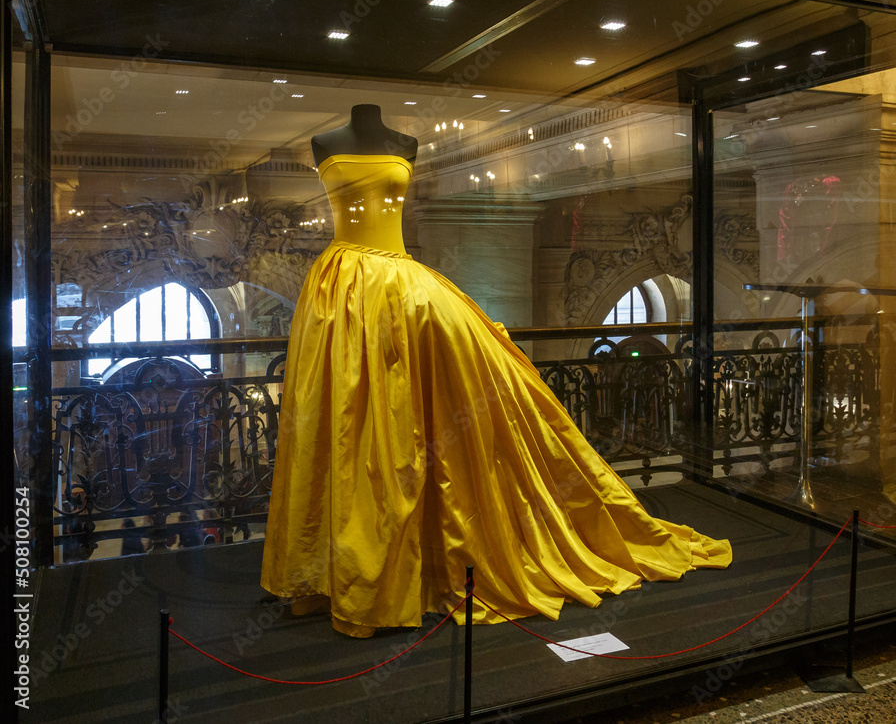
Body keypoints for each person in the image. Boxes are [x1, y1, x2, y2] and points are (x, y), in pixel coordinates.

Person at [261, 104, 731, 638]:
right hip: (340, 288)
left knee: (421, 422)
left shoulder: (405, 142)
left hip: (406, 291)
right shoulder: (324, 141)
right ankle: (333, 571)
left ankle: (421, 562)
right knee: (343, 425)